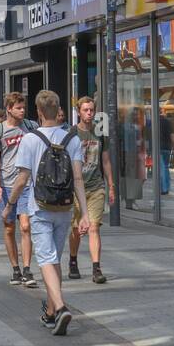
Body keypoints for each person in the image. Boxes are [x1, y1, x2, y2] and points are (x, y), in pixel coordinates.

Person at [8, 90, 87, 335]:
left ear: (39, 113)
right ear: (59, 110)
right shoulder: (72, 139)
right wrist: (84, 212)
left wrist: (10, 205)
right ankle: (51, 314)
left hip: (40, 208)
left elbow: (21, 179)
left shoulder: (30, 140)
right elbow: (77, 178)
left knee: (46, 260)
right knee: (54, 259)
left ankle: (61, 307)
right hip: (64, 207)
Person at [0, 93, 39, 287]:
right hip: (7, 184)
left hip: (27, 185)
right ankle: (15, 269)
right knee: (9, 227)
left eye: (23, 107)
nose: (22, 110)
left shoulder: (31, 127)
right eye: (18, 107)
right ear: (9, 109)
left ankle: (27, 269)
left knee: (25, 226)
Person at [68, 97, 114, 284]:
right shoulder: (71, 133)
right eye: (86, 110)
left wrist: (111, 185)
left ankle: (96, 268)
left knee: (94, 227)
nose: (89, 113)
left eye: (92, 110)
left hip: (96, 187)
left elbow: (105, 161)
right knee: (77, 230)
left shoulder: (100, 134)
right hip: (75, 189)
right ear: (79, 112)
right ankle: (73, 260)